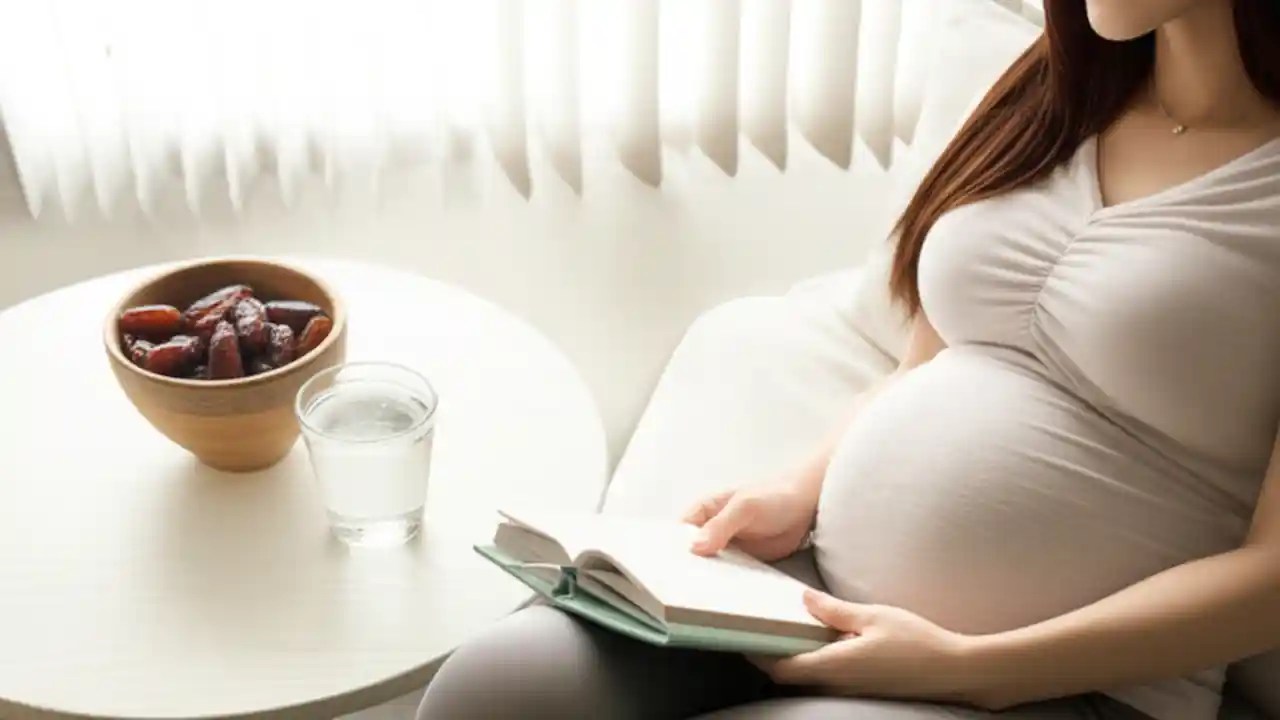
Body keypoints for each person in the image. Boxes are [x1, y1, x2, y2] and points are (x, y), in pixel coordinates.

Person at [418, 0, 1280, 718]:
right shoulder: (1061, 88)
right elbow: (933, 365)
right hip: (816, 592)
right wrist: (797, 492)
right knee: (489, 691)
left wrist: (972, 665)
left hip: (1064, 684)